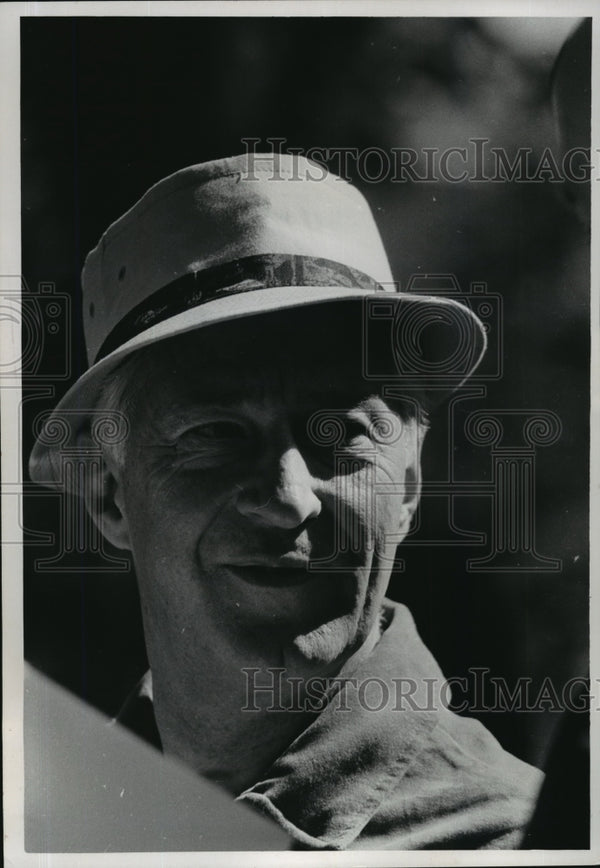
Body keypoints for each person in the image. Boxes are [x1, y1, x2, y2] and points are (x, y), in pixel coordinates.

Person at [29, 151, 543, 850]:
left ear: (410, 485)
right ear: (110, 496)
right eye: (216, 433)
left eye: (341, 435)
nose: (289, 499)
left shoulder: (518, 843)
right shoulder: (57, 831)